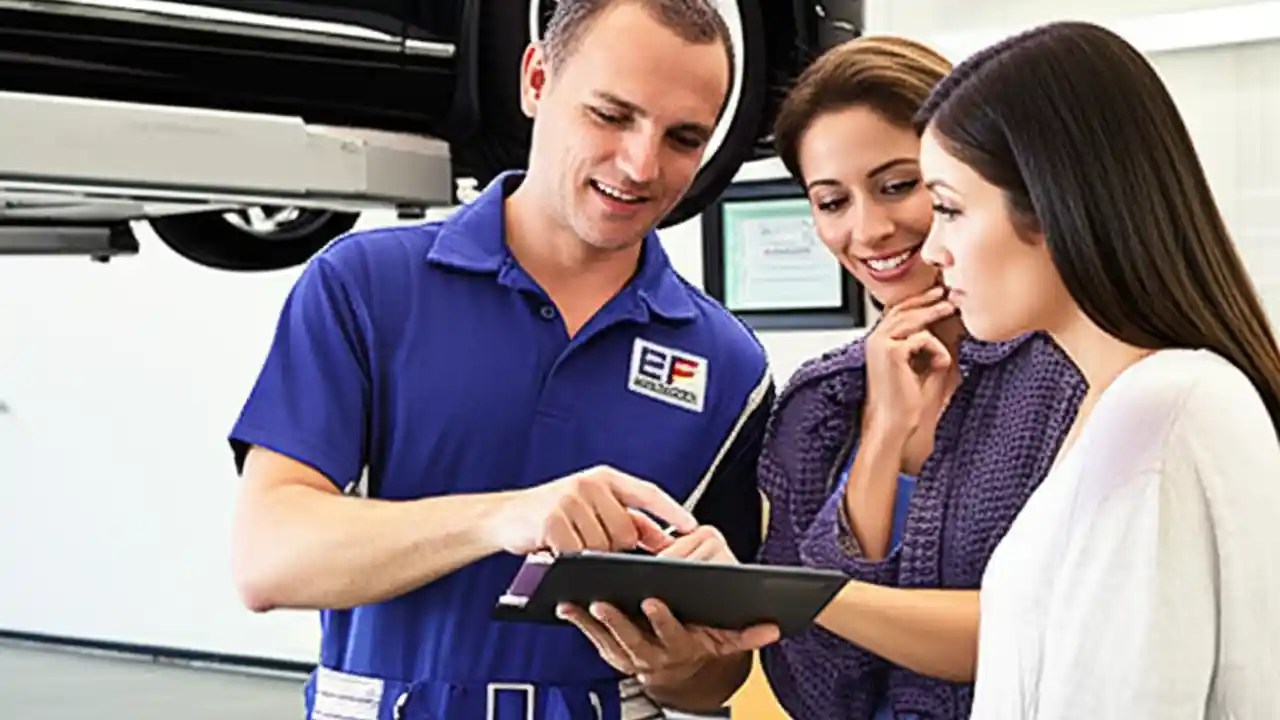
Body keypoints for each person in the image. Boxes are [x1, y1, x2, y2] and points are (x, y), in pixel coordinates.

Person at [225, 2, 780, 718]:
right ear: (537, 80)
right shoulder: (365, 288)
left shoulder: (729, 366)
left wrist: (676, 663)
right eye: (611, 115)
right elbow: (268, 559)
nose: (642, 165)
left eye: (682, 137)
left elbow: (713, 683)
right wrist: (504, 519)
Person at [636, 35, 1088, 719]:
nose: (869, 229)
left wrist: (806, 597)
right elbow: (810, 687)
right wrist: (881, 439)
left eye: (899, 186)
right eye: (831, 201)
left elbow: (1067, 632)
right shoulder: (818, 402)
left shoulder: (1072, 372)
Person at [913, 21, 1280, 717]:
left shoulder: (1165, 410)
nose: (933, 247)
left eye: (950, 209)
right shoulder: (1127, 405)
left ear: (1052, 203)